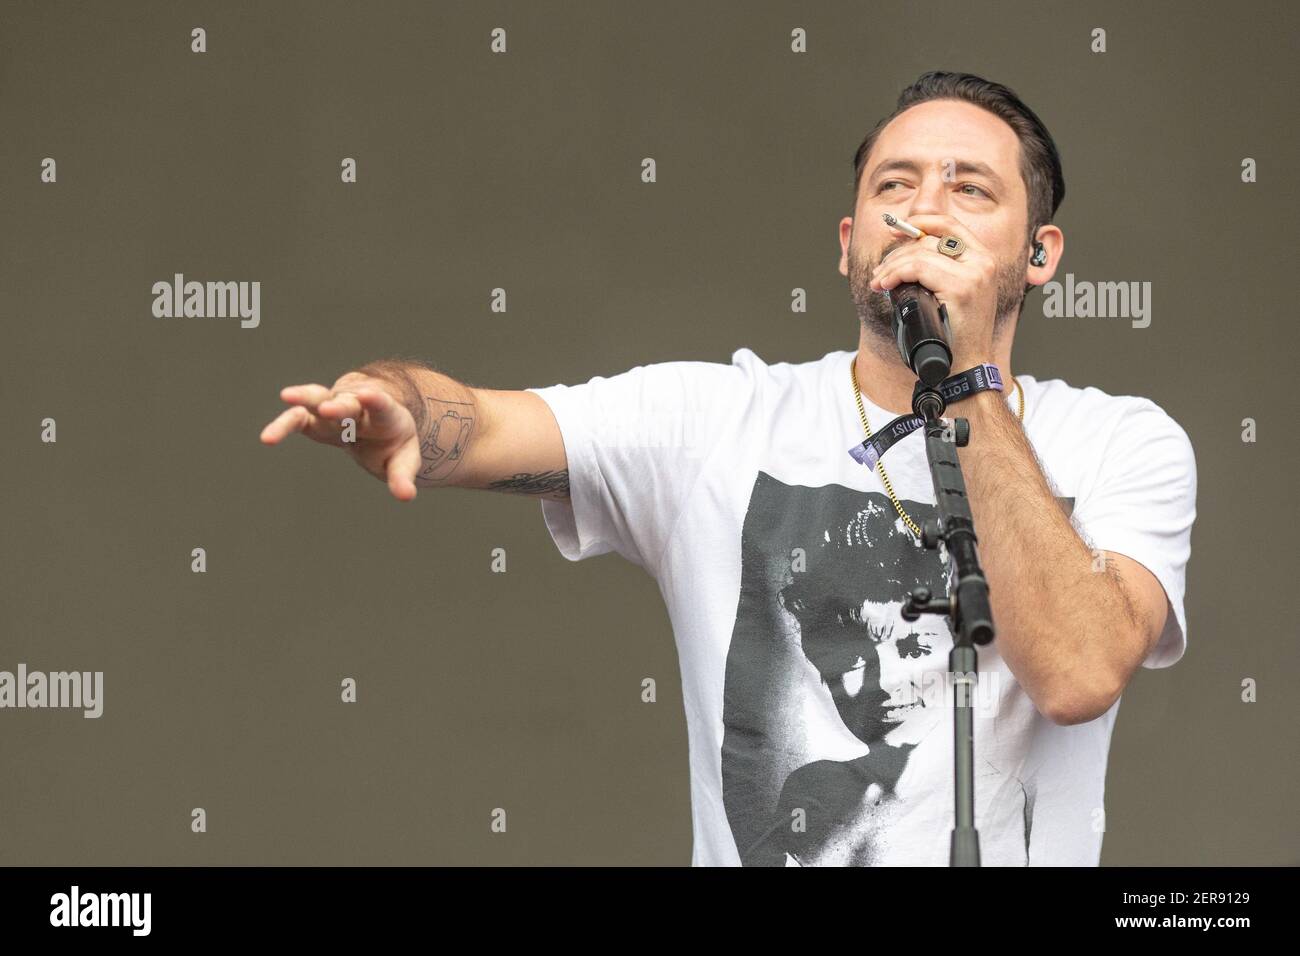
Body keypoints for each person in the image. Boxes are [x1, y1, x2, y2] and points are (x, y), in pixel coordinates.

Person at [259, 71, 1197, 866]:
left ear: (1039, 256)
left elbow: (1078, 674)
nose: (922, 214)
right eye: (894, 188)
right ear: (847, 243)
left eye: (970, 191)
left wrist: (965, 381)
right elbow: (491, 423)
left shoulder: (1123, 443)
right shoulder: (718, 420)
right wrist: (402, 408)